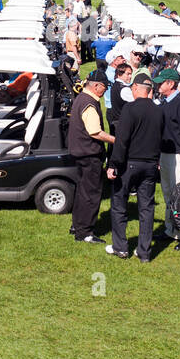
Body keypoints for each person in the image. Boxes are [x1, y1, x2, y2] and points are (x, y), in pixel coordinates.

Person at [106, 73, 162, 261]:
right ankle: (144, 252)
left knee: (119, 205)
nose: (131, 90)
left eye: (132, 88)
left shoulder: (130, 109)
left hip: (129, 163)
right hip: (150, 164)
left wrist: (113, 164)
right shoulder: (159, 111)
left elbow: (122, 140)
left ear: (138, 88)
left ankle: (120, 247)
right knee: (146, 208)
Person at [69, 70, 116, 244]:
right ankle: (85, 232)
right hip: (89, 155)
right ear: (96, 86)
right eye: (104, 87)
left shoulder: (81, 98)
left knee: (81, 192)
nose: (105, 91)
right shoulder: (89, 103)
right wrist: (115, 141)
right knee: (91, 194)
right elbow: (95, 132)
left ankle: (77, 225)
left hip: (79, 154)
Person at [155, 67, 180, 249]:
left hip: (179, 156)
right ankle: (170, 230)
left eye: (161, 83)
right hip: (165, 155)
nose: (158, 86)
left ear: (170, 84)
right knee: (168, 194)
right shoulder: (164, 103)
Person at [108, 62, 134, 128]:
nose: (130, 76)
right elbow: (137, 104)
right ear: (119, 74)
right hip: (123, 124)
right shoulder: (124, 90)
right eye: (128, 74)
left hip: (116, 121)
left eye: (131, 74)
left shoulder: (115, 84)